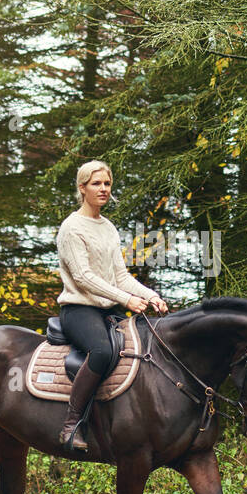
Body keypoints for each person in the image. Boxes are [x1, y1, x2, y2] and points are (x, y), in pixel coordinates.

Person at [55, 160, 167, 451]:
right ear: (82, 188)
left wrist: (150, 295)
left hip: (107, 308)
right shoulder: (72, 228)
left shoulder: (107, 227)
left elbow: (119, 275)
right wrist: (126, 299)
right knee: (103, 351)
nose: (103, 189)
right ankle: (71, 424)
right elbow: (83, 276)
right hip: (78, 309)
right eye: (96, 184)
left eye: (106, 183)